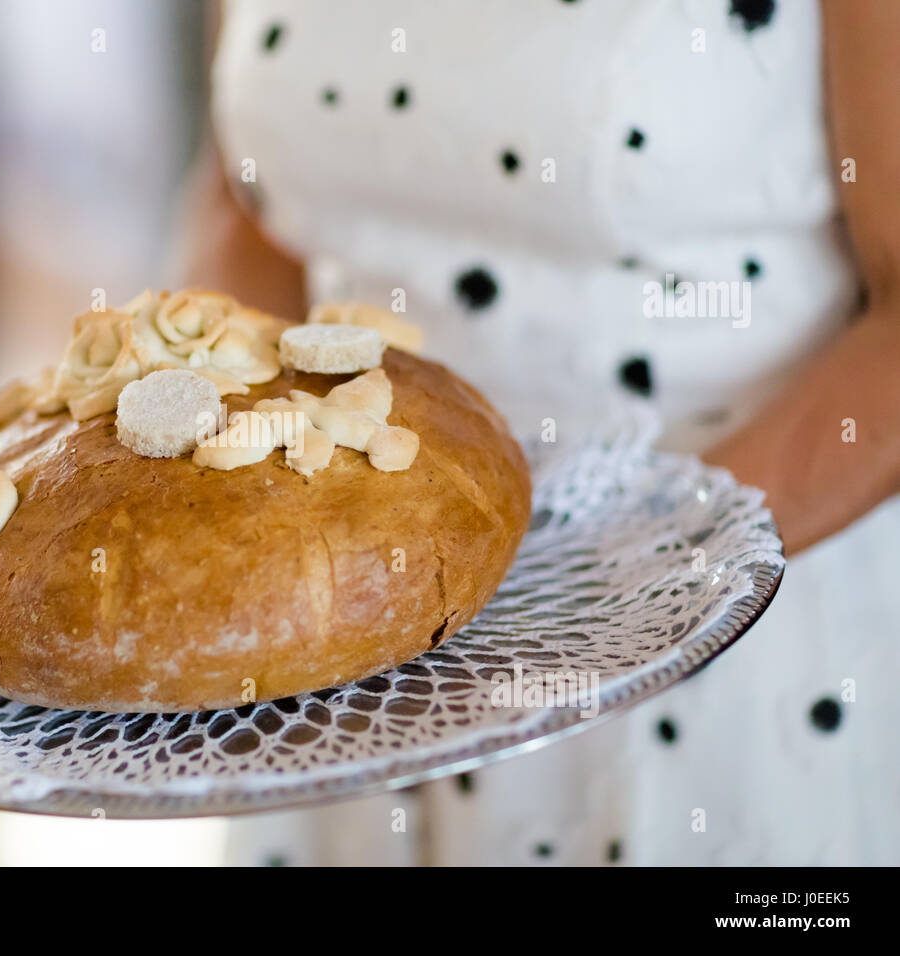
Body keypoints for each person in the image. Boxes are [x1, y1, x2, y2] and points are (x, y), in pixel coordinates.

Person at [184, 0, 900, 864]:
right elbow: (248, 199)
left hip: (714, 640)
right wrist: (239, 525)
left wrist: (584, 599)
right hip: (351, 659)